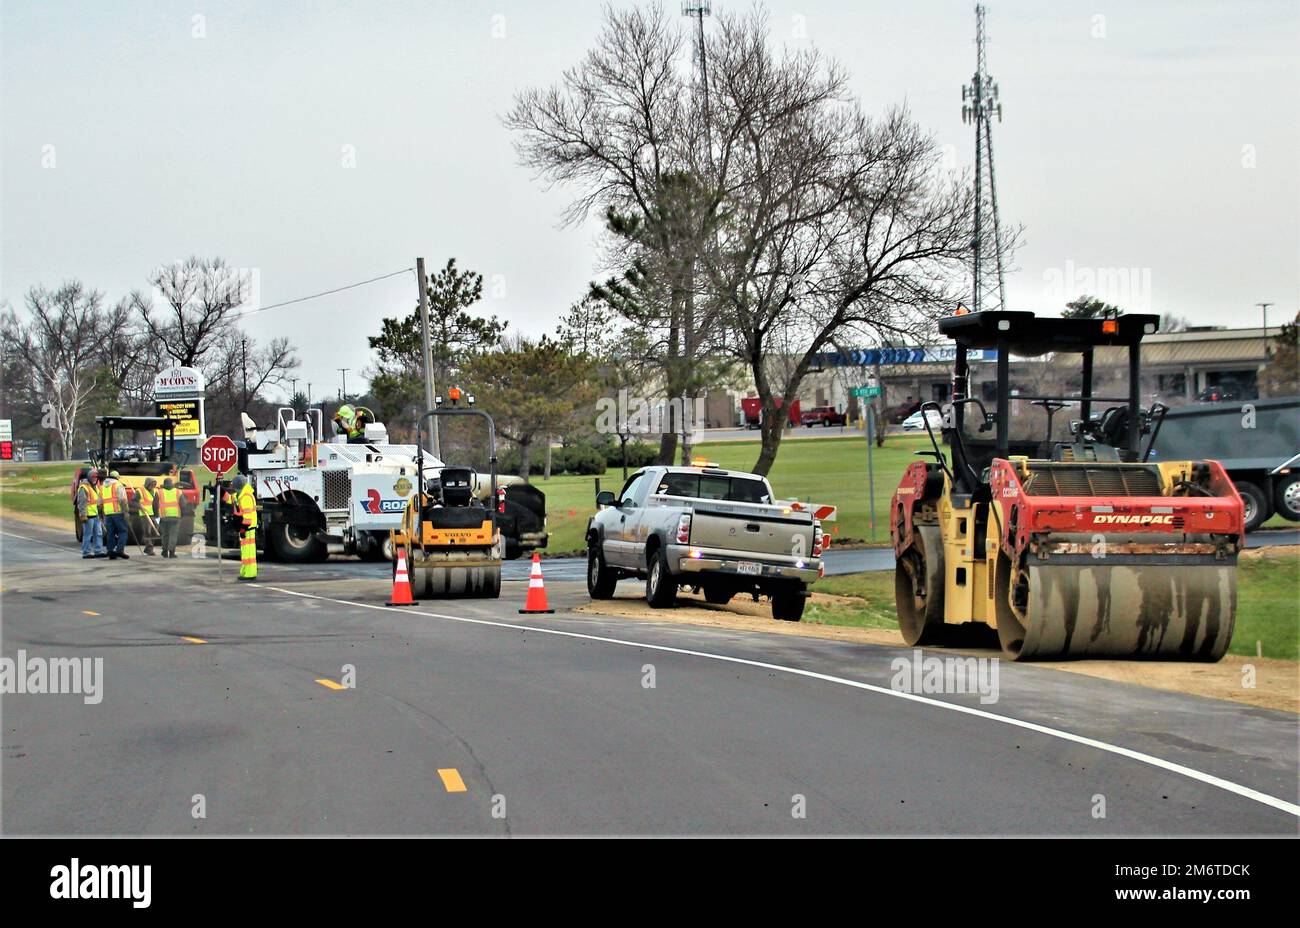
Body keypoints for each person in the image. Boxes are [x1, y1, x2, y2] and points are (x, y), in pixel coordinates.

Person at [230, 475, 258, 581]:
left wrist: (242, 529)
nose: (232, 488)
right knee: (246, 553)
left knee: (249, 553)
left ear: (237, 485)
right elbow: (230, 498)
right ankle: (246, 572)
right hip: (246, 529)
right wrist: (220, 490)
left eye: (233, 485)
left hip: (247, 529)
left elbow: (247, 517)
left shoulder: (245, 497)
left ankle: (250, 574)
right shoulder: (241, 494)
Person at [99, 470, 130, 560]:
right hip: (118, 513)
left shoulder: (102, 487)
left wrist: (101, 513)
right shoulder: (118, 485)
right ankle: (120, 550)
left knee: (110, 533)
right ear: (117, 477)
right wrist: (126, 511)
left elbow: (100, 502)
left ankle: (111, 551)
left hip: (108, 514)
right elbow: (123, 500)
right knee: (123, 531)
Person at [78, 470, 107, 559]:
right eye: (93, 477)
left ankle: (98, 551)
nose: (95, 479)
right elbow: (82, 503)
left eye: (96, 477)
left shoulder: (95, 487)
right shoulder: (84, 488)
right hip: (88, 516)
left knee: (98, 533)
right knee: (88, 534)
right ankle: (86, 552)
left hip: (95, 515)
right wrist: (83, 515)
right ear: (89, 477)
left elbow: (97, 500)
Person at [156, 477, 184, 559]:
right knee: (173, 535)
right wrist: (183, 514)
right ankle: (172, 552)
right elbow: (183, 504)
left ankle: (164, 551)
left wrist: (156, 515)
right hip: (175, 517)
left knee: (165, 534)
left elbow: (154, 504)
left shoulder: (159, 492)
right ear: (172, 484)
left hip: (163, 517)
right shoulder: (178, 492)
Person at [136, 477, 159, 556]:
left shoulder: (155, 491)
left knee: (155, 531)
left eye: (154, 485)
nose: (153, 486)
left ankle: (147, 547)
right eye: (152, 485)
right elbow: (133, 502)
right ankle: (149, 549)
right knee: (147, 532)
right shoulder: (139, 491)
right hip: (144, 515)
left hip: (152, 514)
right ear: (147, 484)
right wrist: (139, 506)